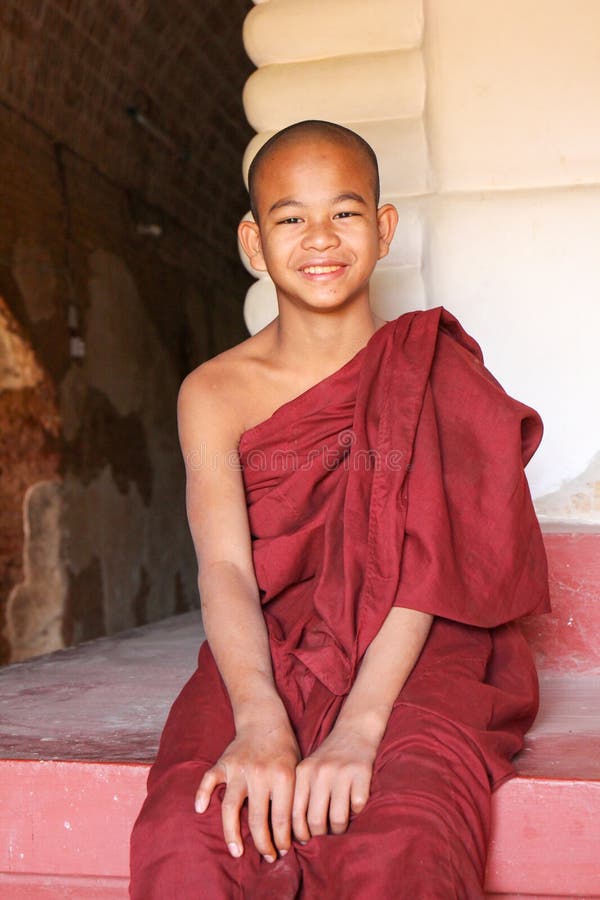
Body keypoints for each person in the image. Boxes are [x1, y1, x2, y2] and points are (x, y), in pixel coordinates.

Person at [130, 120, 549, 899]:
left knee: (401, 833)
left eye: (345, 213)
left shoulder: (427, 369)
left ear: (384, 228)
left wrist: (360, 726)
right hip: (274, 639)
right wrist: (258, 718)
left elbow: (426, 570)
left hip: (420, 642)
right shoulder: (215, 392)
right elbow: (224, 564)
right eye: (291, 218)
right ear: (254, 245)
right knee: (190, 831)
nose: (319, 238)